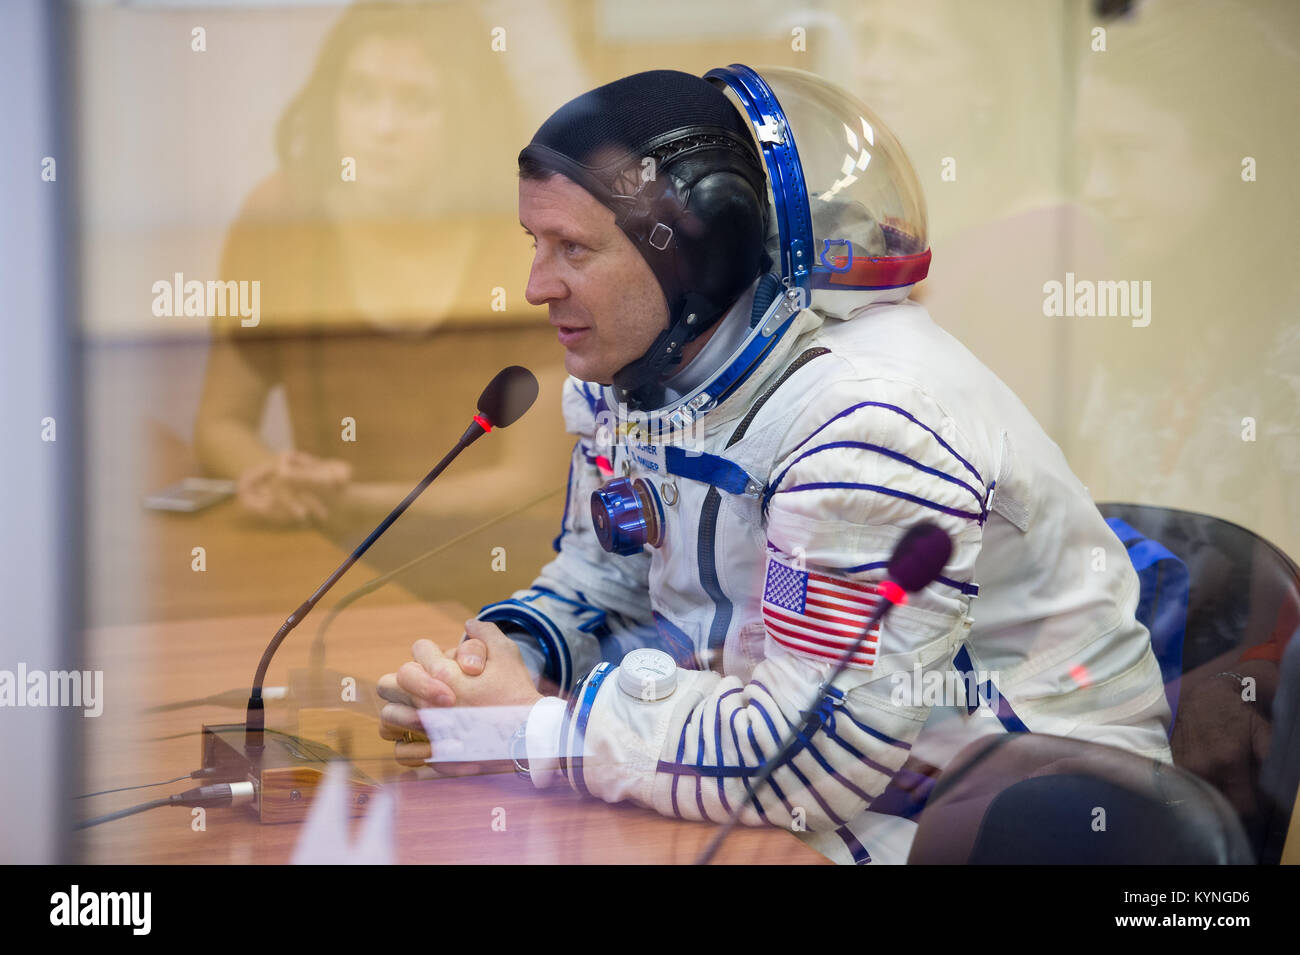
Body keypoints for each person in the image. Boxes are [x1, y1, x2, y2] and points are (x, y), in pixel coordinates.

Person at [377, 67, 1173, 864]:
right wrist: (503, 661)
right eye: (535, 243)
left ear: (701, 253)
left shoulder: (867, 429)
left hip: (1017, 821)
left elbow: (812, 755)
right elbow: (609, 581)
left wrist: (538, 731)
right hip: (845, 795)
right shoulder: (638, 374)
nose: (534, 286)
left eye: (574, 249)